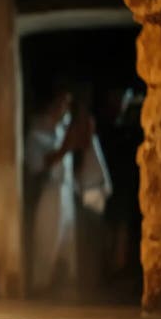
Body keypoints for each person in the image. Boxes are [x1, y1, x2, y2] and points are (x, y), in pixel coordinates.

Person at [25, 82, 110, 297]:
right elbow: (37, 164)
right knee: (47, 245)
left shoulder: (64, 129)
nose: (64, 108)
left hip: (66, 195)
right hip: (49, 195)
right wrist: (65, 147)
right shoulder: (37, 132)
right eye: (61, 102)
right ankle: (40, 290)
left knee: (68, 247)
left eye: (67, 103)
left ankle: (66, 293)